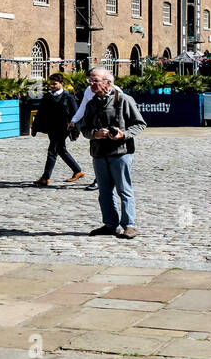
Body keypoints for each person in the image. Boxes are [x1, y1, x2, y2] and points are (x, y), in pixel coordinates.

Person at [79, 67, 146, 237]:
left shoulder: (124, 100)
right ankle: (110, 224)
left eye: (95, 80)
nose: (91, 84)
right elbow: (84, 129)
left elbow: (140, 124)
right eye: (90, 81)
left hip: (120, 152)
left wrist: (124, 134)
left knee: (124, 190)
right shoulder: (91, 103)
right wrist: (95, 134)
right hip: (99, 153)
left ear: (108, 83)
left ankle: (129, 225)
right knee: (104, 191)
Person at [31, 73, 84, 184]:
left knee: (52, 150)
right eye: (51, 84)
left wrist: (76, 130)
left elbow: (76, 113)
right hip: (51, 128)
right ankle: (77, 170)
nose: (52, 86)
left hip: (63, 128)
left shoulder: (68, 97)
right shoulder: (47, 96)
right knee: (60, 150)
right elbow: (41, 113)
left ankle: (45, 177)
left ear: (61, 84)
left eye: (55, 84)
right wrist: (35, 127)